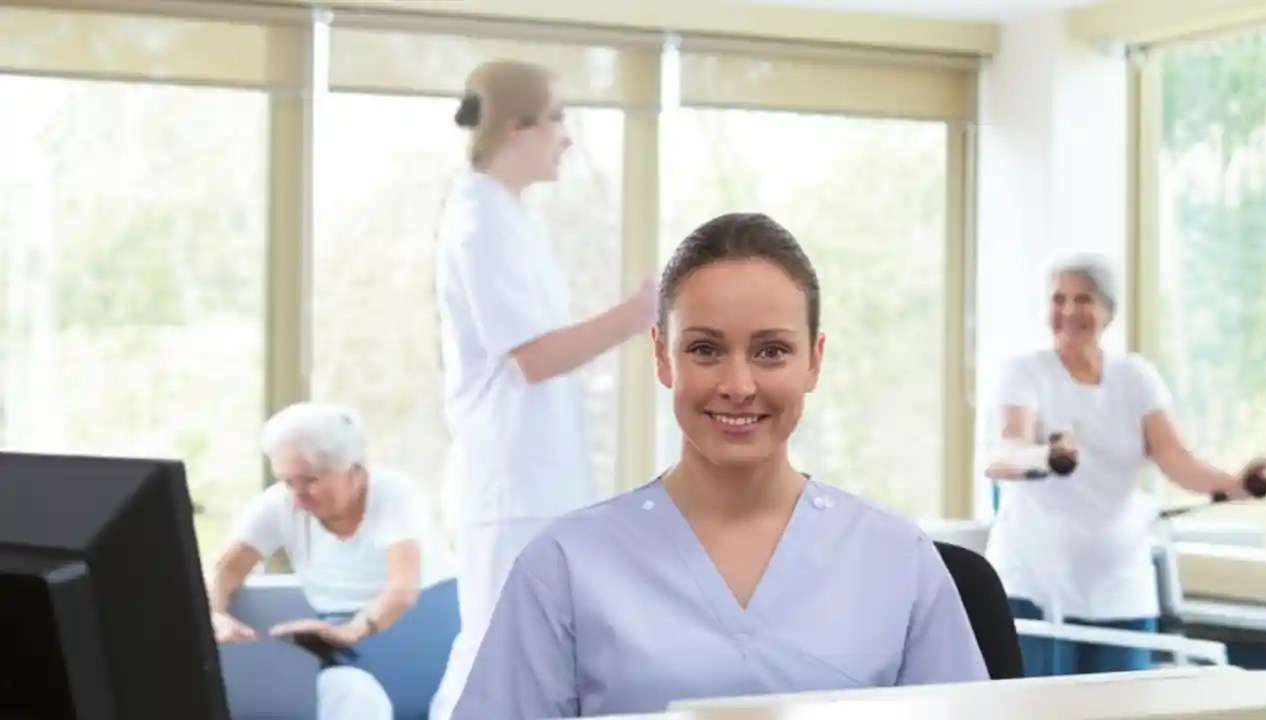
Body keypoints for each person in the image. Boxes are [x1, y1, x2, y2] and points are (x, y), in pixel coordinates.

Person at [452, 212, 989, 718]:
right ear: (663, 357)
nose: (737, 386)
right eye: (706, 350)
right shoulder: (566, 566)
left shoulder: (897, 559)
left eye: (772, 351)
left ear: (814, 361)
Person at [430, 60, 657, 719]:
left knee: (525, 665)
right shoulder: (481, 219)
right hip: (511, 487)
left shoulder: (507, 216)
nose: (568, 136)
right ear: (517, 125)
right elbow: (532, 357)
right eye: (559, 116)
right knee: (499, 666)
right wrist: (637, 314)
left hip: (533, 485)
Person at [983, 254, 1266, 676]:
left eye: (1082, 299)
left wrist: (1237, 484)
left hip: (1120, 587)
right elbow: (1006, 451)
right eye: (1058, 299)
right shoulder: (1025, 372)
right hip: (1035, 584)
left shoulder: (1135, 377)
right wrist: (1047, 455)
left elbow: (1175, 459)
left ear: (1107, 310)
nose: (1068, 311)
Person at [207, 402, 451, 719]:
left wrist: (352, 630)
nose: (297, 496)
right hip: (344, 641)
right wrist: (215, 615)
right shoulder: (279, 503)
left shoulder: (393, 493)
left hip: (424, 623)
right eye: (287, 481)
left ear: (355, 471)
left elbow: (403, 590)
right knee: (349, 698)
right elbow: (224, 571)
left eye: (310, 480)